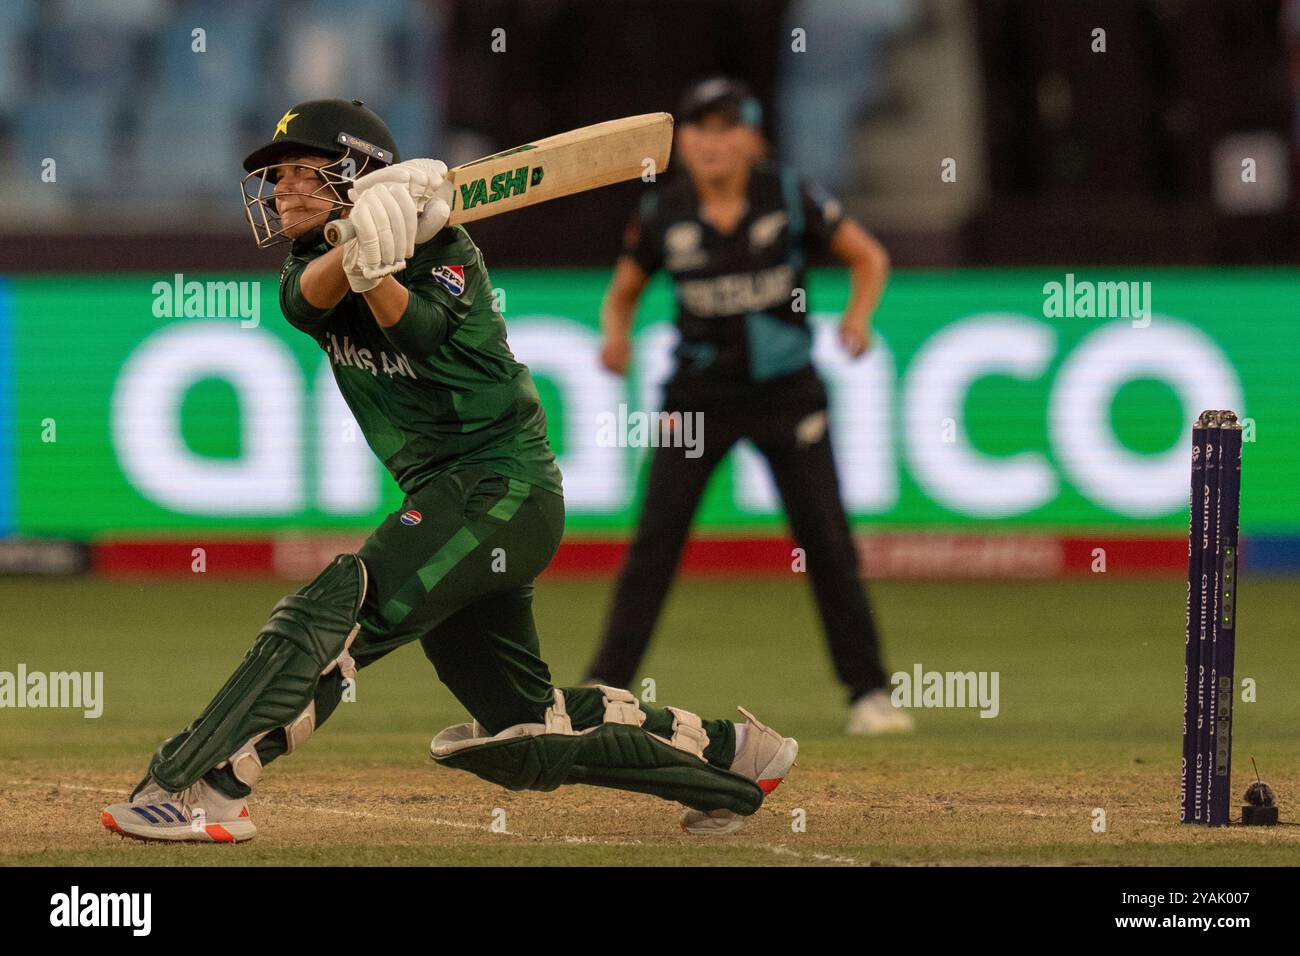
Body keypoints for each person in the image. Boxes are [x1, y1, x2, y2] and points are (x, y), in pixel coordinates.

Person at [99, 98, 796, 842]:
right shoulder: (307, 265)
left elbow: (424, 333)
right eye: (278, 177)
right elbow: (306, 304)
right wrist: (359, 248)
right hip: (453, 498)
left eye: (304, 173)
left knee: (340, 605)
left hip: (503, 485)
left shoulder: (450, 253)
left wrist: (381, 270)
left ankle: (204, 786)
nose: (281, 191)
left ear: (356, 174)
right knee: (522, 733)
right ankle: (732, 758)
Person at [583, 78, 912, 736]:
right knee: (655, 543)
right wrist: (615, 336)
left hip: (786, 392)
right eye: (698, 128)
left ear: (752, 139)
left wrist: (857, 317)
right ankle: (604, 690)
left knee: (827, 542)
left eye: (726, 126)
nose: (710, 141)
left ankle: (870, 695)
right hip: (699, 397)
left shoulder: (787, 195)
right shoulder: (663, 213)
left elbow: (869, 257)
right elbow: (622, 293)